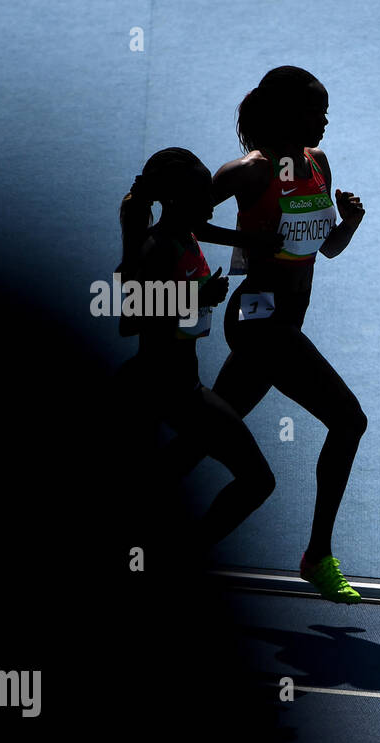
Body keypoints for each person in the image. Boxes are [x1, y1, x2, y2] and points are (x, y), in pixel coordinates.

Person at [169, 66, 367, 602]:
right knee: (349, 421)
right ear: (285, 114)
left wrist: (347, 222)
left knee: (201, 440)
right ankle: (317, 556)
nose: (325, 120)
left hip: (287, 321)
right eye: (315, 110)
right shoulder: (246, 173)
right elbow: (185, 222)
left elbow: (324, 249)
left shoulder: (318, 164)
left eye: (325, 110)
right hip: (259, 321)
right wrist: (247, 237)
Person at [114, 147, 275, 560]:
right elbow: (129, 321)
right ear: (175, 201)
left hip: (179, 382)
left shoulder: (183, 233)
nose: (211, 202)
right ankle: (183, 559)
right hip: (164, 387)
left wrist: (251, 240)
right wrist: (193, 296)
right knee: (257, 481)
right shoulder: (157, 248)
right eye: (203, 196)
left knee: (156, 481)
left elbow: (206, 230)